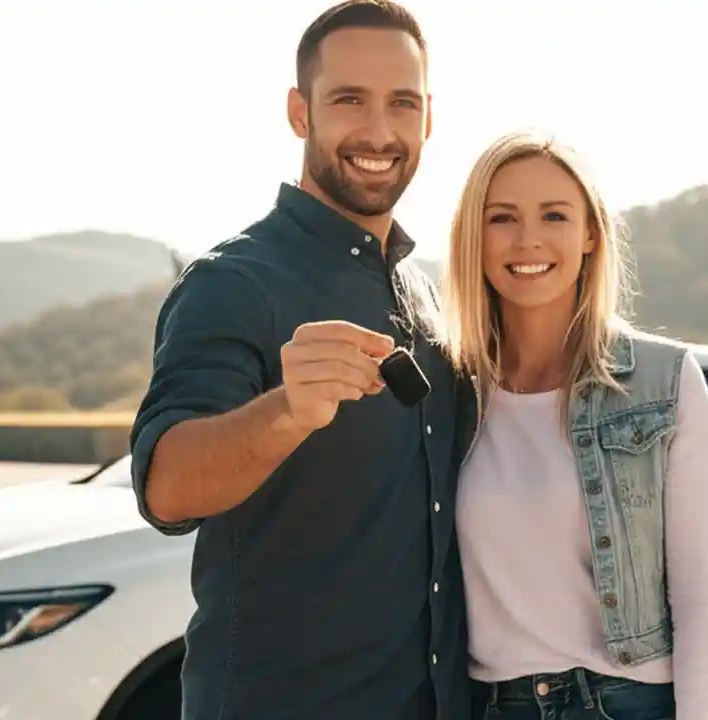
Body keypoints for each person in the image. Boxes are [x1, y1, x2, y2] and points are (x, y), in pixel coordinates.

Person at [129, 2, 472, 718]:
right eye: (349, 100)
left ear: (428, 119)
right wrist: (287, 410)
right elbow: (166, 486)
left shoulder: (422, 288)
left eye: (401, 103)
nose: (378, 132)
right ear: (299, 111)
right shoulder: (234, 283)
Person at [441, 129, 708, 719]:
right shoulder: (448, 394)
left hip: (623, 703)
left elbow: (699, 603)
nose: (528, 240)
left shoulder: (662, 383)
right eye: (502, 218)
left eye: (554, 215)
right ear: (473, 235)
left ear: (590, 233)